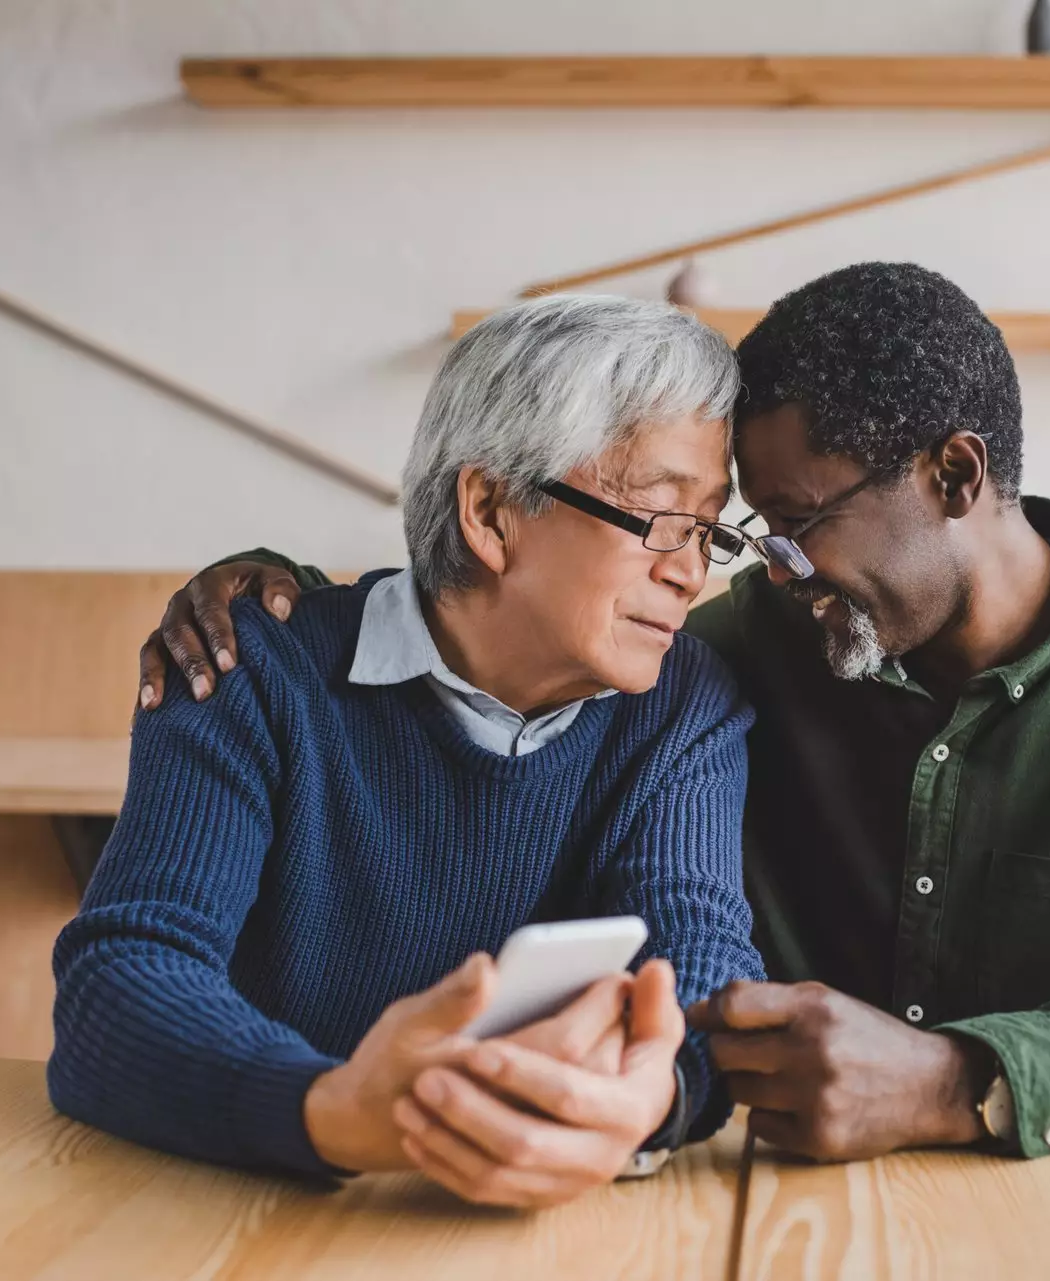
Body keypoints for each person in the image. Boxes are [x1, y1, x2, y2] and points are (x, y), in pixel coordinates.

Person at [137, 263, 1050, 1170]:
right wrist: (266, 600)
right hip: (729, 1199)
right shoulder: (727, 651)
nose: (746, 569)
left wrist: (966, 1079)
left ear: (956, 477)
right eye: (738, 531)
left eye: (789, 527)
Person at [47, 294, 765, 1207]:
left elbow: (703, 960)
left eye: (707, 528)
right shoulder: (251, 668)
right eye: (661, 516)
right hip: (252, 1207)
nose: (690, 570)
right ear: (492, 510)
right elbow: (122, 979)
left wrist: (651, 1098)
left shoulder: (682, 704)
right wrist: (334, 1110)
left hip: (543, 1221)